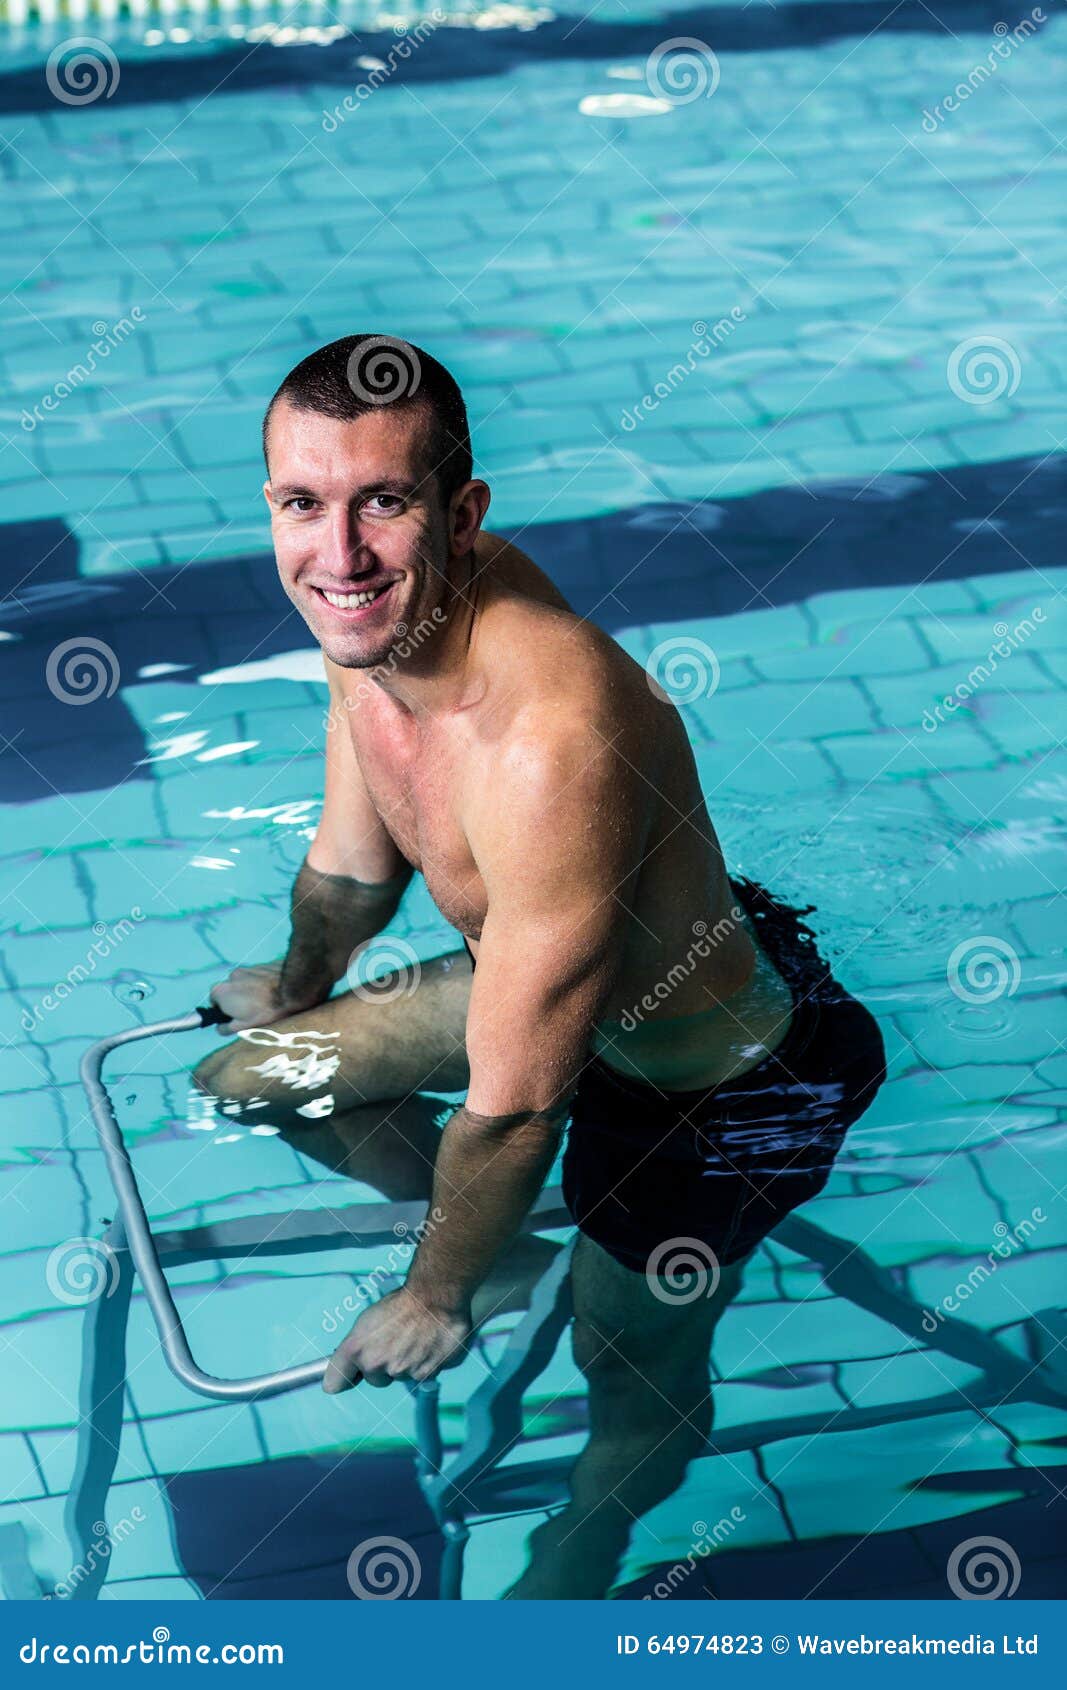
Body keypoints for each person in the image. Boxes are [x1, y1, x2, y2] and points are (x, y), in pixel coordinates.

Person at [192, 334, 886, 1597]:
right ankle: (513, 1258)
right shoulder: (369, 621)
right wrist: (295, 988)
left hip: (718, 1088)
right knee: (259, 1076)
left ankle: (575, 1561)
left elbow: (516, 1111)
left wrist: (432, 1296)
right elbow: (354, 870)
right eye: (302, 504)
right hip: (557, 977)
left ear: (460, 516)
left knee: (626, 1373)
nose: (337, 553)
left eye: (381, 504)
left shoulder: (546, 742)